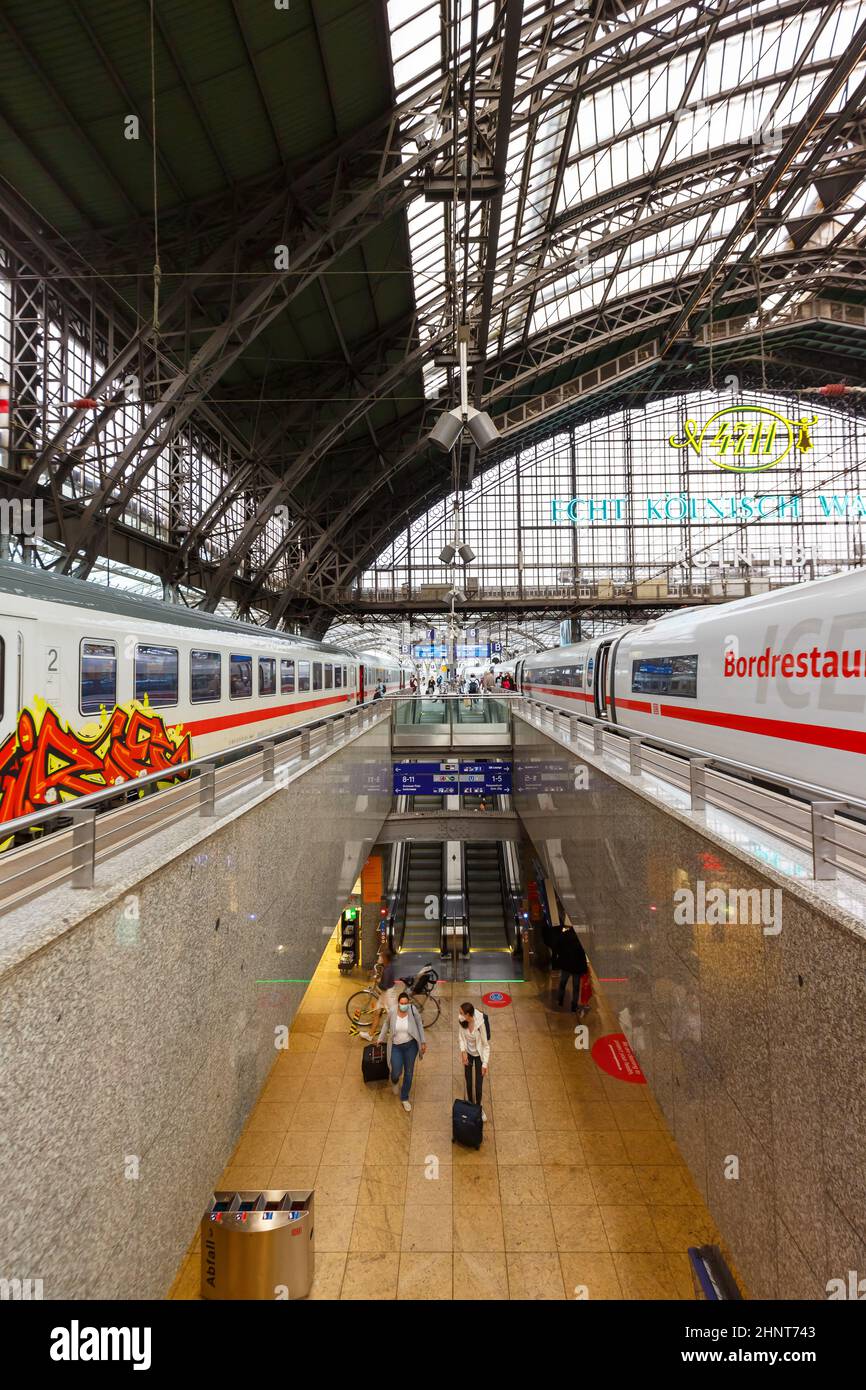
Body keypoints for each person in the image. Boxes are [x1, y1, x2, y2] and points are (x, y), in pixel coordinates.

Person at [377, 990, 426, 1111]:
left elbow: (419, 1025)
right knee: (396, 1070)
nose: (403, 1005)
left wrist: (423, 1041)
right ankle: (394, 1081)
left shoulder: (413, 1011)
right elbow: (386, 1024)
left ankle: (404, 1097)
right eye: (401, 1003)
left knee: (409, 1073)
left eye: (405, 1003)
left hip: (411, 1047)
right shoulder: (393, 1011)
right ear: (398, 1003)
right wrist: (380, 1038)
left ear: (408, 1002)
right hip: (396, 1047)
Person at [359, 945, 401, 1042]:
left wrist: (378, 981)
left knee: (393, 1016)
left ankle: (399, 1036)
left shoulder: (387, 970)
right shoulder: (388, 966)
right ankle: (370, 1034)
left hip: (388, 995)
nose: (379, 958)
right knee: (377, 1012)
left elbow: (384, 986)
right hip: (386, 994)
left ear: (385, 958)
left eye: (381, 956)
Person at [458, 1002, 489, 1120]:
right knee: (469, 1081)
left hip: (479, 1056)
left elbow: (486, 1046)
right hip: (468, 1055)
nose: (459, 1015)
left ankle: (479, 1107)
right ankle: (471, 1105)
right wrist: (463, 1052)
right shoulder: (462, 1021)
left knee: (478, 1084)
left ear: (468, 1015)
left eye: (461, 1013)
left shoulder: (480, 1025)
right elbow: (460, 1037)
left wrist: (484, 1064)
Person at [556, 924, 589, 1012]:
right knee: (576, 986)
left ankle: (560, 1000)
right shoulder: (581, 939)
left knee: (563, 982)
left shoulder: (565, 935)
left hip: (566, 964)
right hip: (576, 967)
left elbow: (558, 946)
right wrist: (584, 968)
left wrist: (561, 956)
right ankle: (574, 1005)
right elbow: (582, 954)